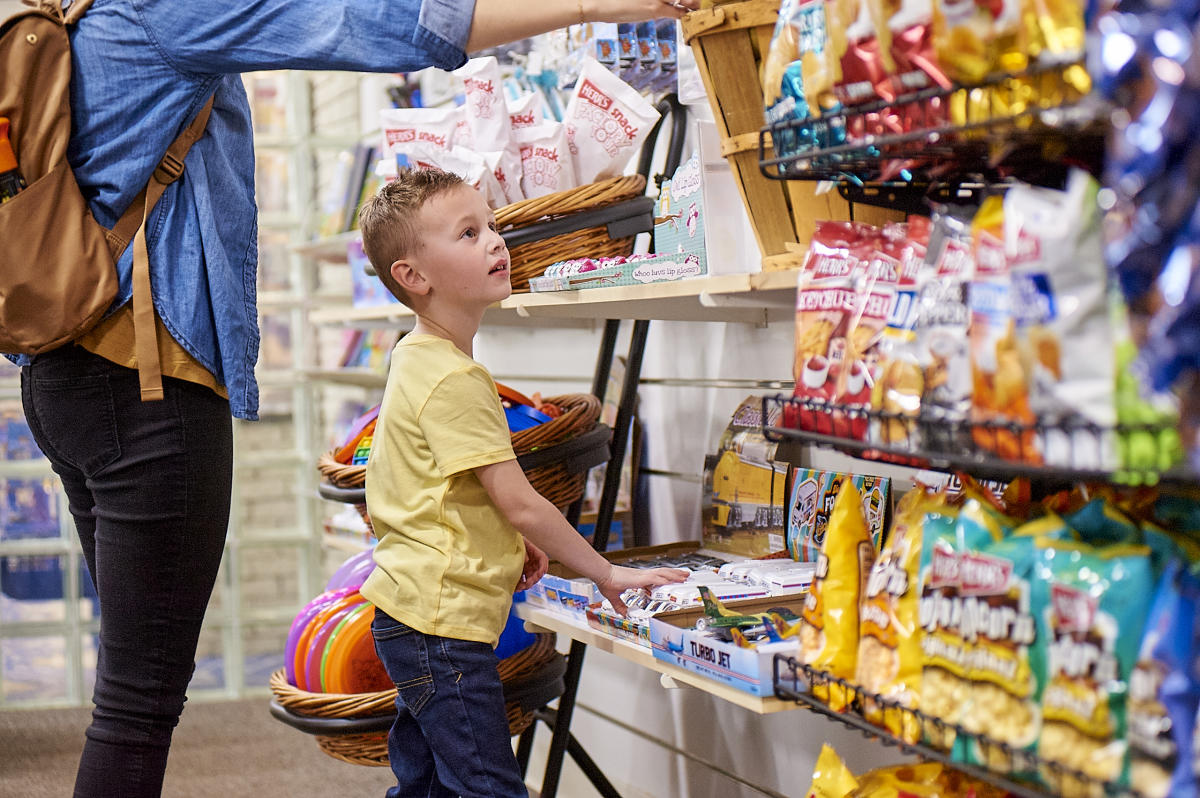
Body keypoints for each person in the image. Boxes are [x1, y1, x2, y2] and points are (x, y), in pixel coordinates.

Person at [12, 1, 698, 797]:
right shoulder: (168, 10)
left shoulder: (82, 13)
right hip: (143, 381)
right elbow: (388, 23)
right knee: (138, 703)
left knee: (132, 688)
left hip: (64, 371)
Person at [356, 167, 689, 798]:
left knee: (428, 781)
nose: (495, 242)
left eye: (492, 225)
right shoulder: (455, 378)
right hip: (441, 626)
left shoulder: (416, 354)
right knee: (487, 785)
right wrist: (607, 573)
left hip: (412, 614)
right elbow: (520, 501)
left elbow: (438, 488)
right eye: (468, 232)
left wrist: (503, 543)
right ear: (415, 276)